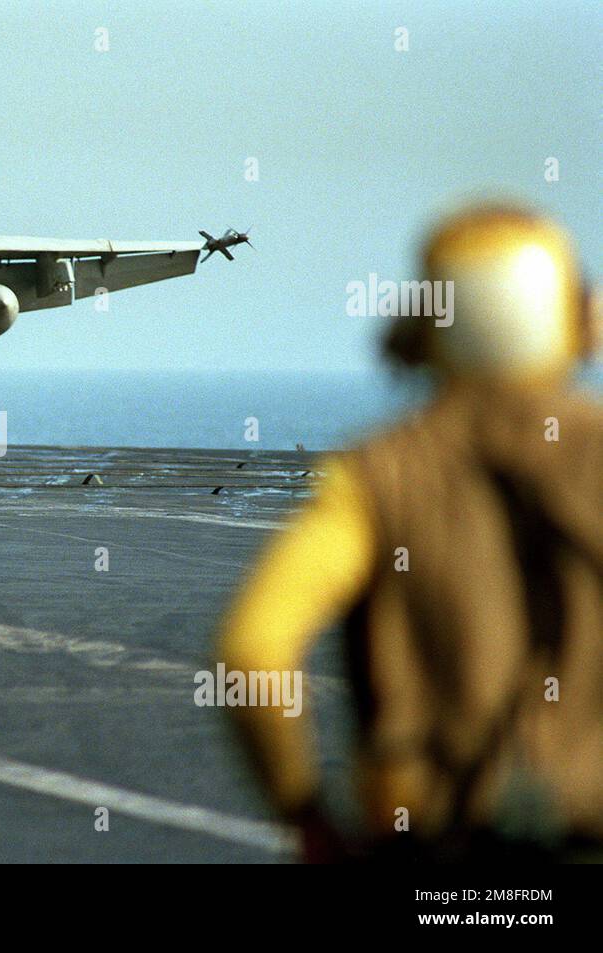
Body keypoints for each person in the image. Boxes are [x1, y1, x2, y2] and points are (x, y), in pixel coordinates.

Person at [215, 204, 601, 862]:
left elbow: (252, 649)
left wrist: (302, 812)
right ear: (576, 321)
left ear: (423, 324)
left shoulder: (376, 475)